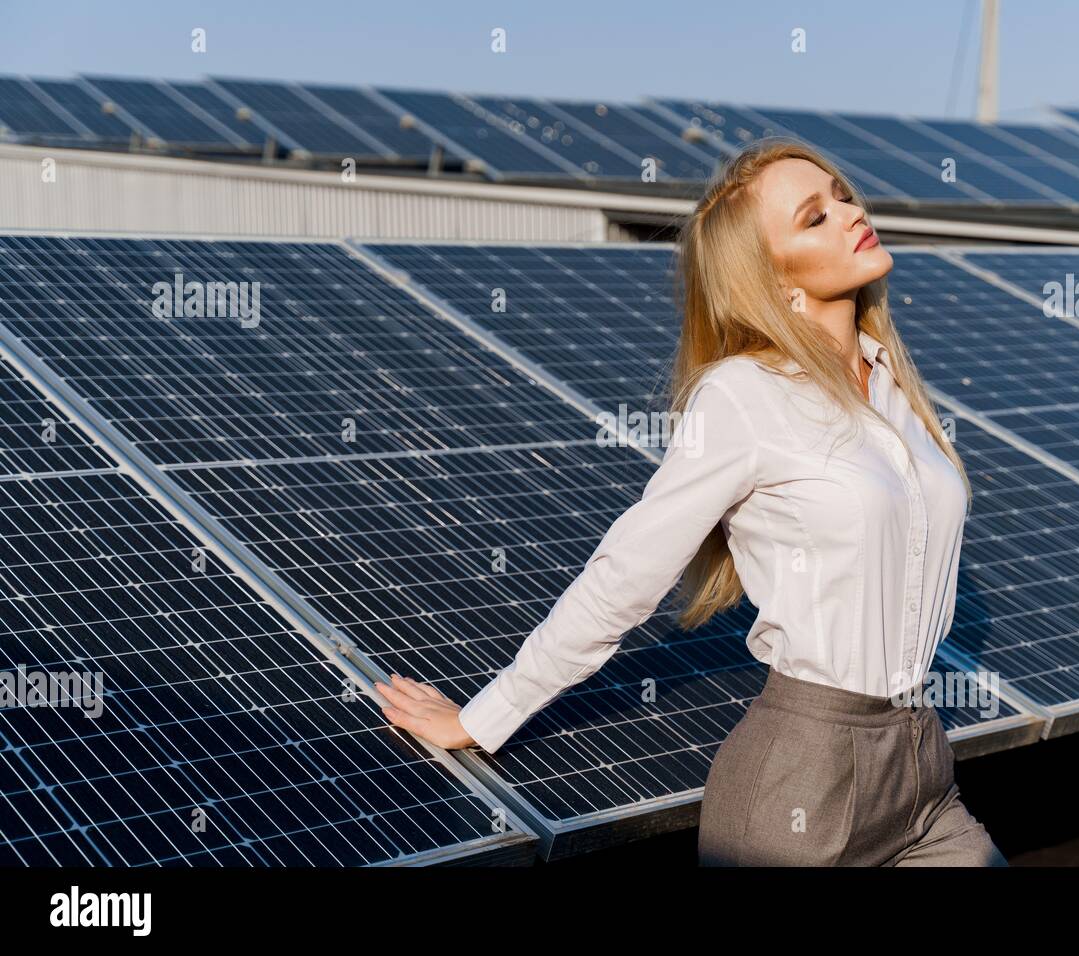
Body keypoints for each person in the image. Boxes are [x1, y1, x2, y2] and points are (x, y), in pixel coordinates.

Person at [375, 137, 1008, 867]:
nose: (851, 212)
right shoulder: (744, 397)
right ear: (772, 276)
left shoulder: (892, 388)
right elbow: (627, 575)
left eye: (842, 195)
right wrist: (483, 718)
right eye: (814, 216)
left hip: (922, 772)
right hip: (802, 782)